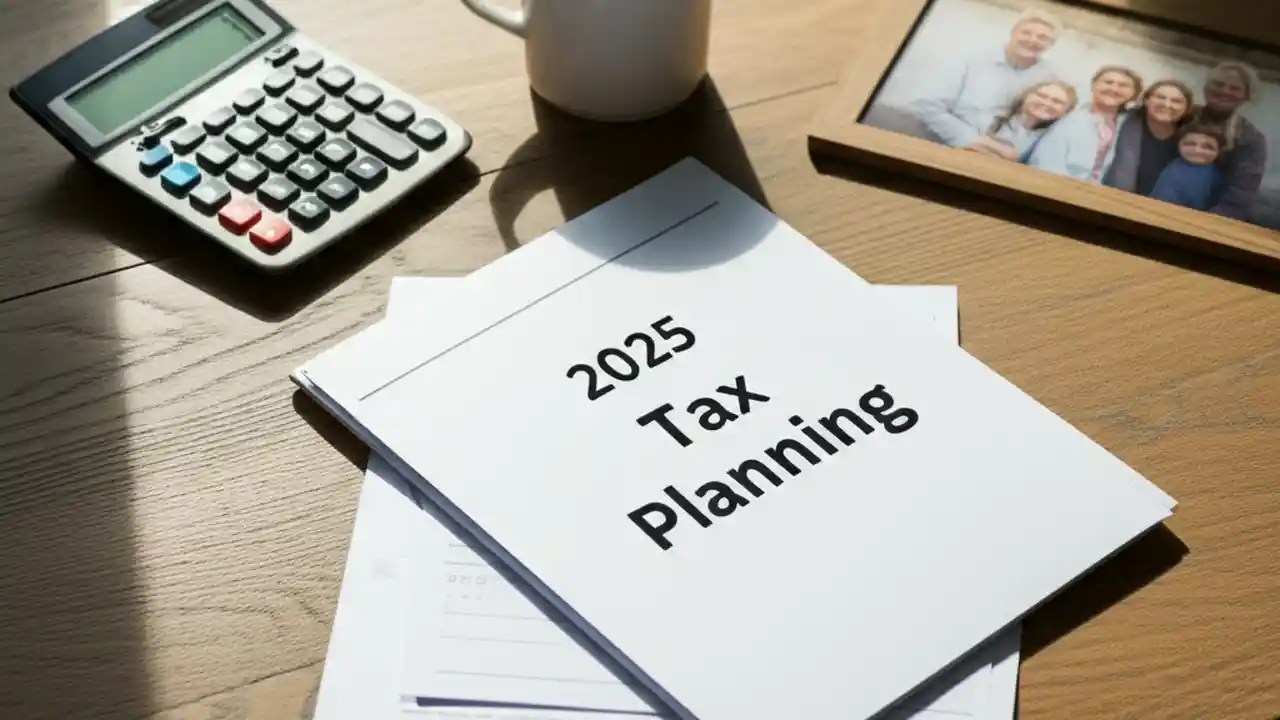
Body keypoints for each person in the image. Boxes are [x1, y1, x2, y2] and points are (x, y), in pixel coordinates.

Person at [908, 9, 1062, 149]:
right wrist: (972, 140)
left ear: (1051, 44)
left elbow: (1046, 125)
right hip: (946, 143)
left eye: (1043, 38)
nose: (1033, 40)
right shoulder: (970, 59)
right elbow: (925, 104)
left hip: (1005, 154)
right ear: (1013, 32)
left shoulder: (1051, 78)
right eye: (1026, 33)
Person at [1027, 65, 1143, 182]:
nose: (1114, 89)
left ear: (1133, 93)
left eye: (1123, 85)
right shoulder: (1068, 117)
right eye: (1108, 82)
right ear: (1093, 85)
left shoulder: (1130, 126)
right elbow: (1046, 161)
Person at [1183, 61, 1268, 220]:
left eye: (1235, 88)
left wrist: (1206, 222)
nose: (1224, 91)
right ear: (1206, 88)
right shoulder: (1183, 116)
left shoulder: (1251, 138)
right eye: (1218, 84)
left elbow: (1240, 193)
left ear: (1246, 97)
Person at [1104, 80, 1195, 196]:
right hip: (1113, 198)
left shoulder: (1192, 141)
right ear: (1146, 100)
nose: (1167, 104)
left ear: (1186, 109)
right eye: (1160, 98)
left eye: (1176, 101)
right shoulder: (1120, 123)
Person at [970, 80, 1078, 161]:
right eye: (1042, 96)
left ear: (1066, 111)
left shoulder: (1053, 137)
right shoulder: (993, 114)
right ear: (1027, 95)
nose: (1047, 103)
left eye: (1057, 102)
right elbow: (968, 140)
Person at [1151, 123, 1226, 211]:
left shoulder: (1219, 171)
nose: (1197, 151)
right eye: (1190, 144)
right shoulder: (1174, 174)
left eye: (1208, 147)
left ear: (1219, 151)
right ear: (1178, 145)